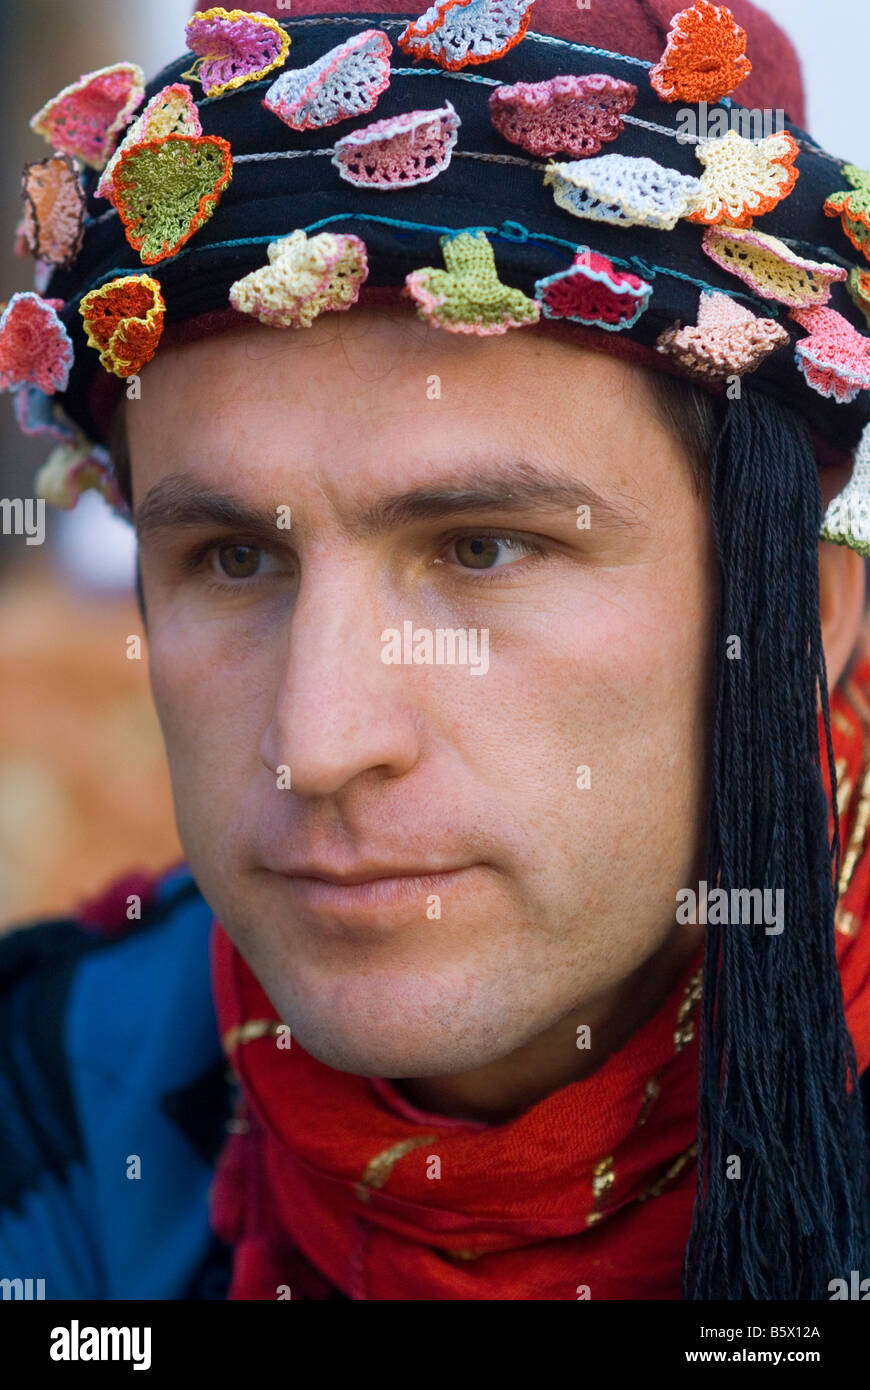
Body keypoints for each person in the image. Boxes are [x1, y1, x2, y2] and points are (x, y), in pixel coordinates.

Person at [1, 0, 869, 1301]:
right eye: (232, 558)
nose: (320, 740)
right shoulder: (52, 1088)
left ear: (794, 618)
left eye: (480, 548)